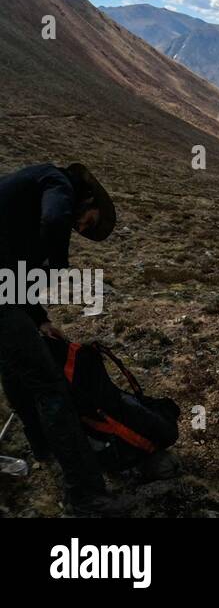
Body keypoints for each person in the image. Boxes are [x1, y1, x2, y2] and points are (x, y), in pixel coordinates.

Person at [0, 162, 132, 516]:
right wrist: (58, 265)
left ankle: (42, 447)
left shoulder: (25, 195)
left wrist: (39, 318)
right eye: (86, 221)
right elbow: (54, 220)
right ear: (86, 197)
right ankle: (85, 495)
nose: (79, 227)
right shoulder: (57, 182)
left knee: (16, 369)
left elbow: (11, 273)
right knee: (49, 386)